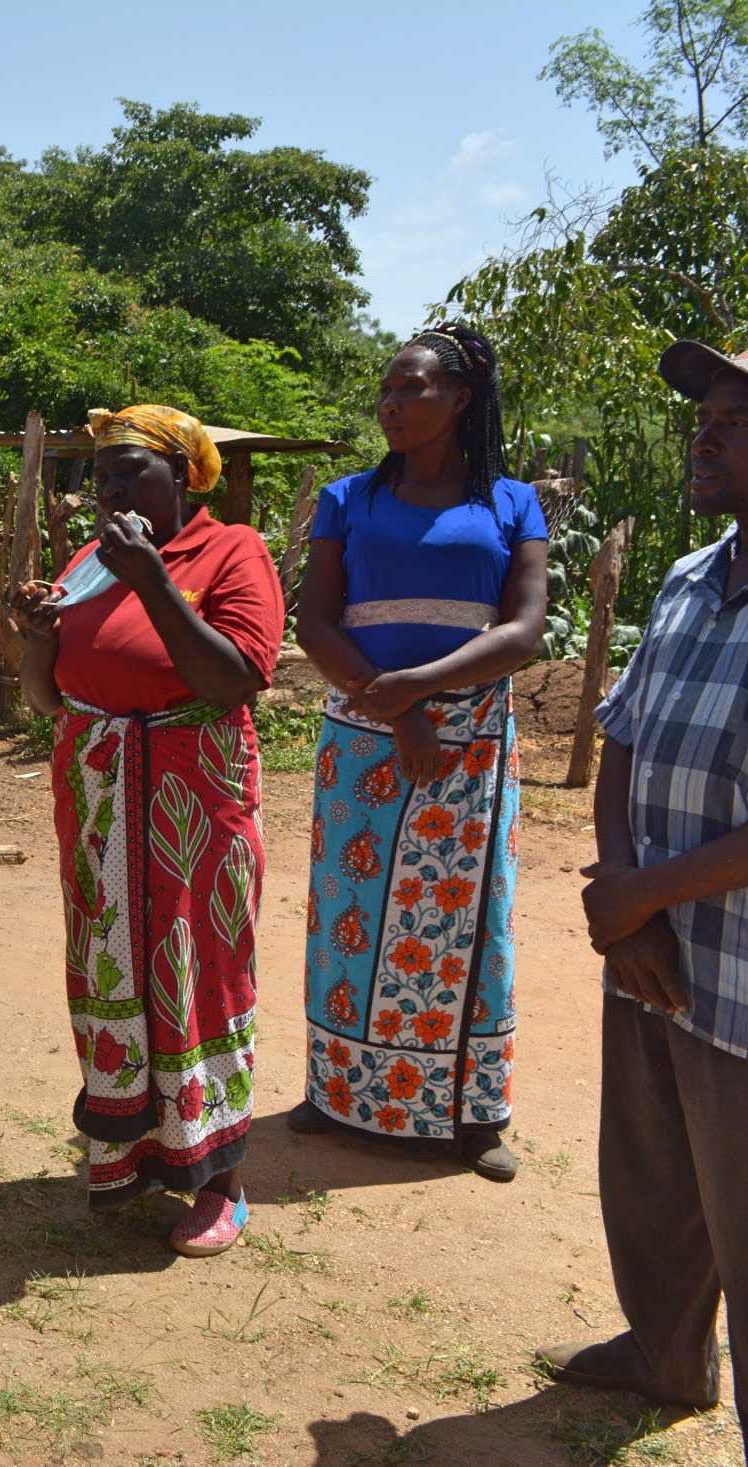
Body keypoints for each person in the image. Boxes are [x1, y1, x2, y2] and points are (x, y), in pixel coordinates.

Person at [538, 340, 748, 1452]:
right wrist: (627, 901)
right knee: (654, 1177)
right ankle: (664, 1357)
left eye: (735, 420)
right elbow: (622, 737)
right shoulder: (687, 576)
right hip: (659, 949)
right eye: (704, 416)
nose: (704, 436)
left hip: (741, 974)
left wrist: (636, 900)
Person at [12, 404, 283, 1258]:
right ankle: (130, 1155)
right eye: (102, 477)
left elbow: (235, 676)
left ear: (183, 474)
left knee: (197, 972)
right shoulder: (90, 564)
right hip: (99, 802)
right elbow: (51, 696)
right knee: (114, 967)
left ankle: (222, 1183)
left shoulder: (231, 551)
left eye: (133, 471)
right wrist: (34, 639)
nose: (114, 490)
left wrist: (155, 582)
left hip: (192, 806)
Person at [287, 323, 548, 1184]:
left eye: (414, 389)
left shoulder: (513, 503)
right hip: (365, 738)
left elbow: (524, 628)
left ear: (461, 398)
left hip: (470, 744)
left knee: (472, 922)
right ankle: (337, 1090)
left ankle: (475, 1113)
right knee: (348, 910)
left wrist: (421, 687)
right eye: (386, 391)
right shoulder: (347, 498)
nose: (392, 404)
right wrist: (391, 705)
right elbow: (315, 621)